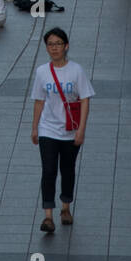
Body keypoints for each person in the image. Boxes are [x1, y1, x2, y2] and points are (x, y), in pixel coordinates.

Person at [31, 27, 94, 233]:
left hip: (70, 131)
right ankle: (48, 215)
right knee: (48, 171)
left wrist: (81, 130)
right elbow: (39, 101)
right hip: (47, 129)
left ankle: (66, 207)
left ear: (66, 46)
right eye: (50, 44)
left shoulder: (76, 70)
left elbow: (85, 100)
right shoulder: (42, 72)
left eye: (58, 44)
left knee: (67, 169)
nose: (54, 48)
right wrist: (34, 128)